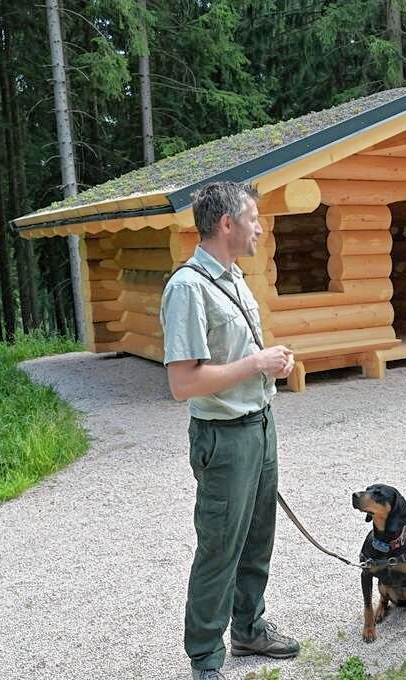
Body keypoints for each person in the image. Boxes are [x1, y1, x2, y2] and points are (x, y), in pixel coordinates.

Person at [160, 181, 299, 680]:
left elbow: (236, 360)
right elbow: (183, 383)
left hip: (259, 425)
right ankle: (205, 658)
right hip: (223, 437)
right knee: (220, 546)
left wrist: (268, 367)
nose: (260, 227)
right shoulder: (188, 288)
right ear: (227, 224)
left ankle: (249, 630)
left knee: (258, 538)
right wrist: (255, 362)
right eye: (254, 218)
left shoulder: (235, 277)